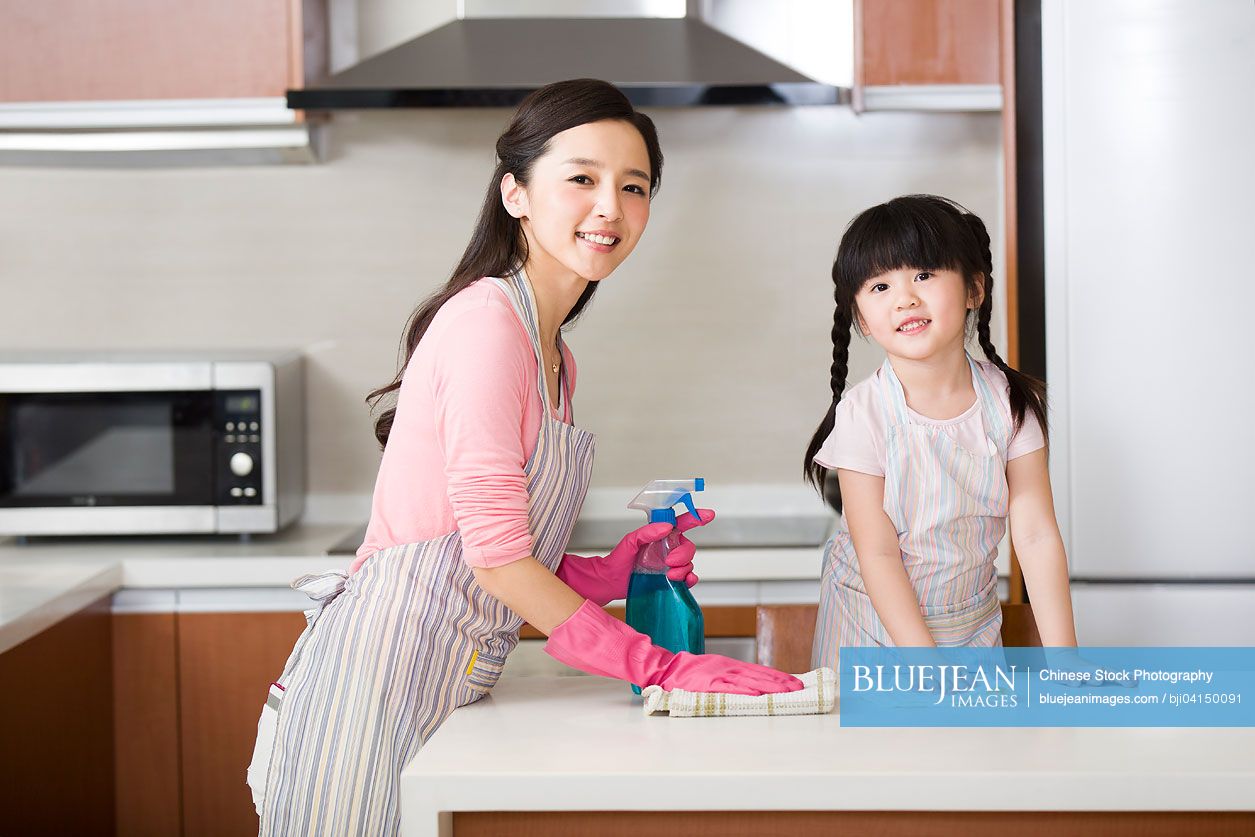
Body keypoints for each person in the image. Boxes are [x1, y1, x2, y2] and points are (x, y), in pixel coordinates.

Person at [248, 78, 801, 836]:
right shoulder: (485, 325)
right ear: (515, 193)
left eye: (633, 186)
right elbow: (496, 562)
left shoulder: (555, 355)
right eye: (581, 178)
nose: (610, 205)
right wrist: (657, 665)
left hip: (443, 685)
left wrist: (603, 571)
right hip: (369, 683)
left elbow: (487, 547)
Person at [804, 194, 1078, 670]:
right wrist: (926, 666)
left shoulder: (1013, 405)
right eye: (880, 286)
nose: (906, 297)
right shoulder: (863, 412)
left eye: (924, 275)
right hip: (869, 626)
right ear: (861, 318)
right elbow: (878, 552)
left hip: (971, 622)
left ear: (975, 289)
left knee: (971, 745)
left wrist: (1066, 662)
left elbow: (1035, 536)